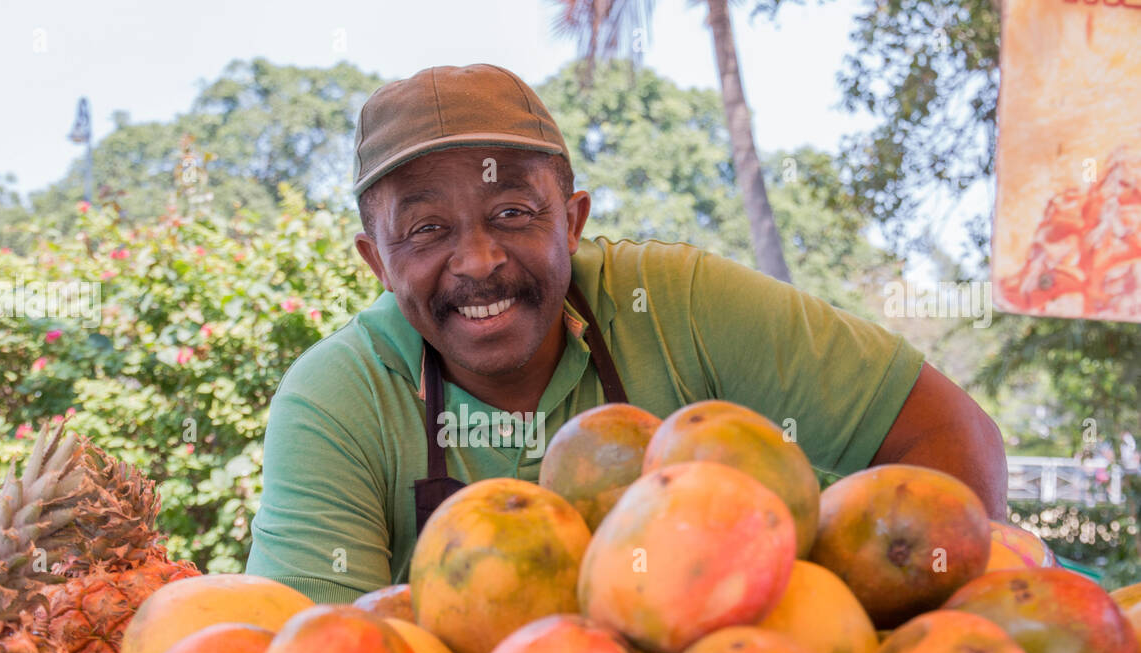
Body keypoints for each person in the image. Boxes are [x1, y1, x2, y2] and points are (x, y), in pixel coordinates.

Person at [245, 63, 1007, 603]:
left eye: (513, 212)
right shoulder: (335, 401)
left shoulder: (683, 304)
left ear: (572, 222)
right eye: (426, 229)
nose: (477, 260)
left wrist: (878, 643)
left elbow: (948, 435)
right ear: (376, 260)